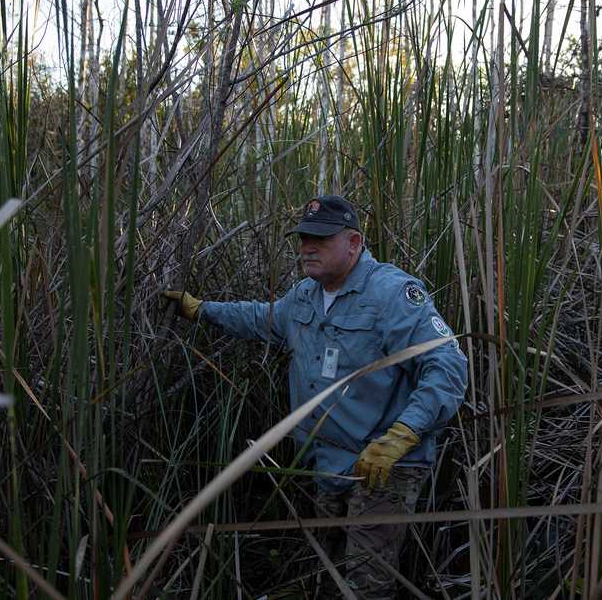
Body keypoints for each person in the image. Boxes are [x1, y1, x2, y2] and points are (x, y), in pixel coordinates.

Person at [165, 194, 467, 599]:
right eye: (304, 237)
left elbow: (447, 364)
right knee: (327, 578)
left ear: (355, 242)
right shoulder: (305, 295)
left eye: (321, 238)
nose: (308, 246)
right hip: (325, 463)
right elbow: (259, 318)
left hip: (382, 467)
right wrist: (201, 310)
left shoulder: (393, 294)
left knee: (364, 587)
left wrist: (401, 436)